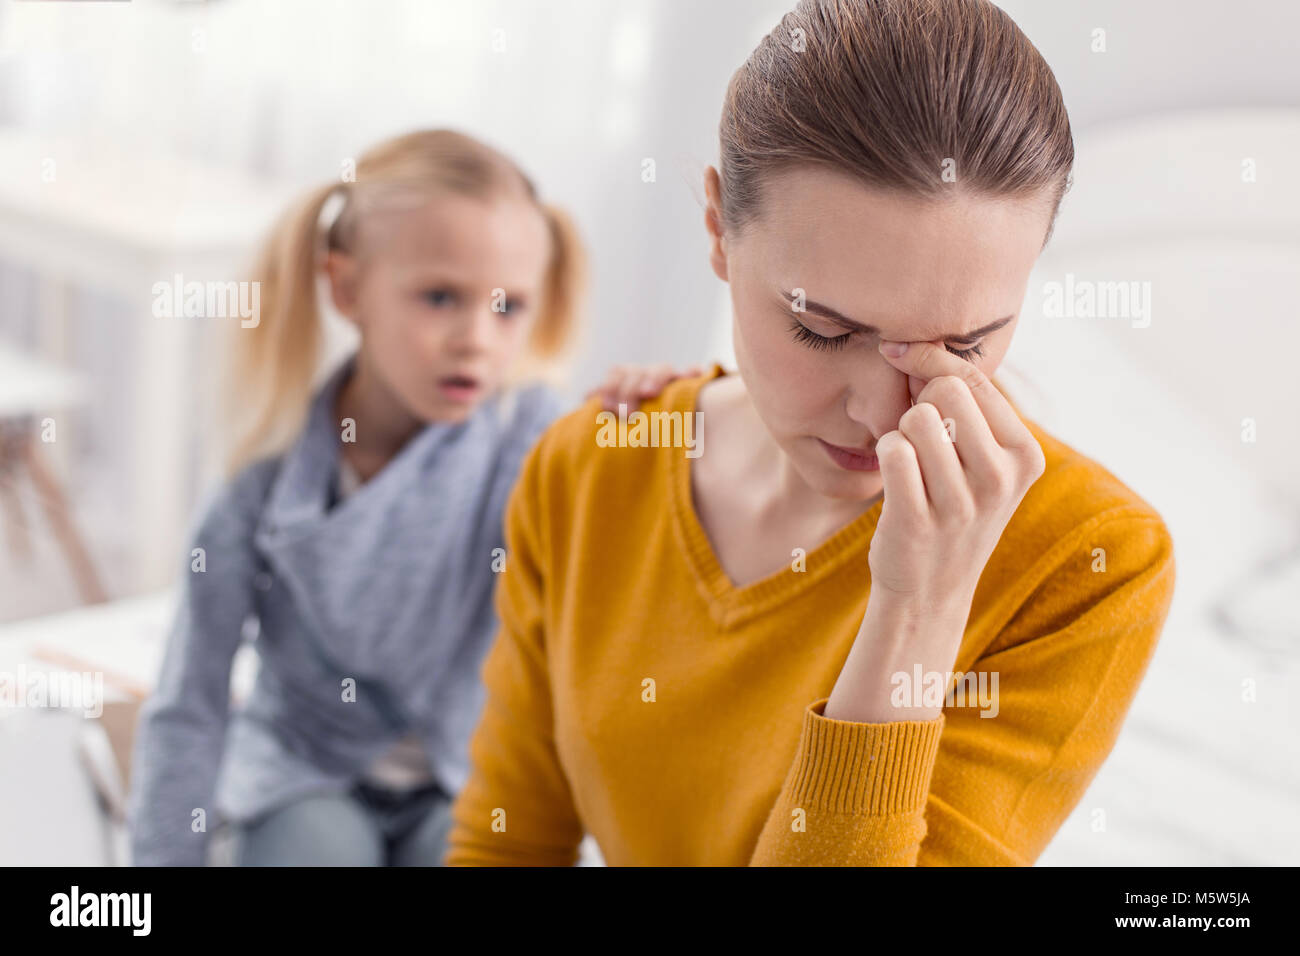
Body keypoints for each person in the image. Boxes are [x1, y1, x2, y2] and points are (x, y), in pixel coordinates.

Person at [444, 0, 1177, 866]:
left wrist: (919, 610)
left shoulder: (1089, 562)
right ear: (719, 228)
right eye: (824, 330)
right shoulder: (591, 467)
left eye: (965, 346)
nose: (882, 412)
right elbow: (505, 843)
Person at [126, 128, 697, 866]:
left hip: (467, 780)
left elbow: (648, 548)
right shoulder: (265, 477)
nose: (476, 341)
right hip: (304, 776)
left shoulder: (533, 441)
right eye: (439, 298)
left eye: (508, 308)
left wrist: (673, 416)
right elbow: (189, 704)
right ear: (347, 288)